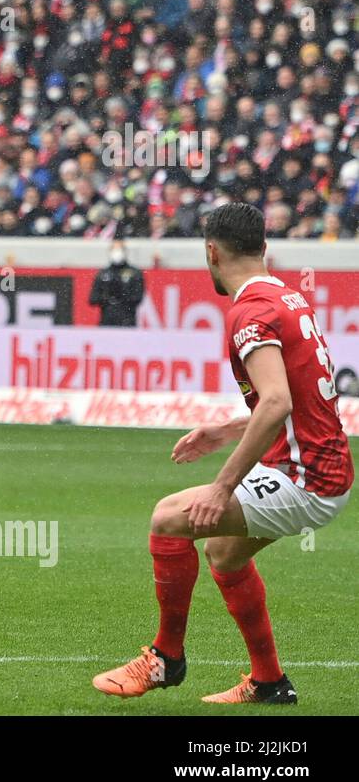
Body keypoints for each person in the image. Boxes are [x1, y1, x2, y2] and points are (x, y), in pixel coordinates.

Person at [92, 203, 352, 704]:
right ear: (264, 249)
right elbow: (297, 397)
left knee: (169, 517)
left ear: (211, 252)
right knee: (224, 553)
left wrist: (223, 485)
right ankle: (270, 683)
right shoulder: (287, 297)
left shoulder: (251, 311)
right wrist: (226, 430)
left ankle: (165, 658)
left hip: (307, 478)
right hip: (322, 469)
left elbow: (276, 401)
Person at [87, 239, 145, 326]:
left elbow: (137, 297)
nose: (117, 253)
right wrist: (107, 298)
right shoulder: (103, 274)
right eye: (114, 250)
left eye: (119, 250)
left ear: (125, 252)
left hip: (127, 320)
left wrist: (122, 295)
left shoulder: (134, 273)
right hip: (107, 320)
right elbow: (92, 299)